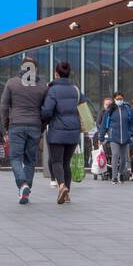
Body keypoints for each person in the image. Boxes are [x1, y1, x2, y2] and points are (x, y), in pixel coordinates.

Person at [0, 56, 49, 204]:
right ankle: (26, 190)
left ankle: (22, 184)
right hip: (35, 125)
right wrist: (42, 126)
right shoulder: (42, 87)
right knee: (30, 160)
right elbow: (46, 110)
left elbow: (4, 107)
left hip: (16, 124)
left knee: (15, 158)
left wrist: (6, 125)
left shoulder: (12, 83)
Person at [40, 61, 86, 205]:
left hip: (57, 132)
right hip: (73, 133)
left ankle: (61, 186)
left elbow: (47, 111)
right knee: (66, 163)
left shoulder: (52, 90)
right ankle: (67, 194)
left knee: (57, 162)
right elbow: (83, 111)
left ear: (56, 74)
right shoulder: (76, 90)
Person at [101, 92, 133, 182]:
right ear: (114, 99)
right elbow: (104, 124)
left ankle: (120, 173)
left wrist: (130, 132)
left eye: (121, 99)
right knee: (115, 155)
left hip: (125, 137)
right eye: (117, 99)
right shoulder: (110, 110)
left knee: (124, 158)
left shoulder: (128, 109)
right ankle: (114, 177)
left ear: (123, 99)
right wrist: (101, 136)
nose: (119, 100)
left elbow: (132, 122)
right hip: (114, 137)